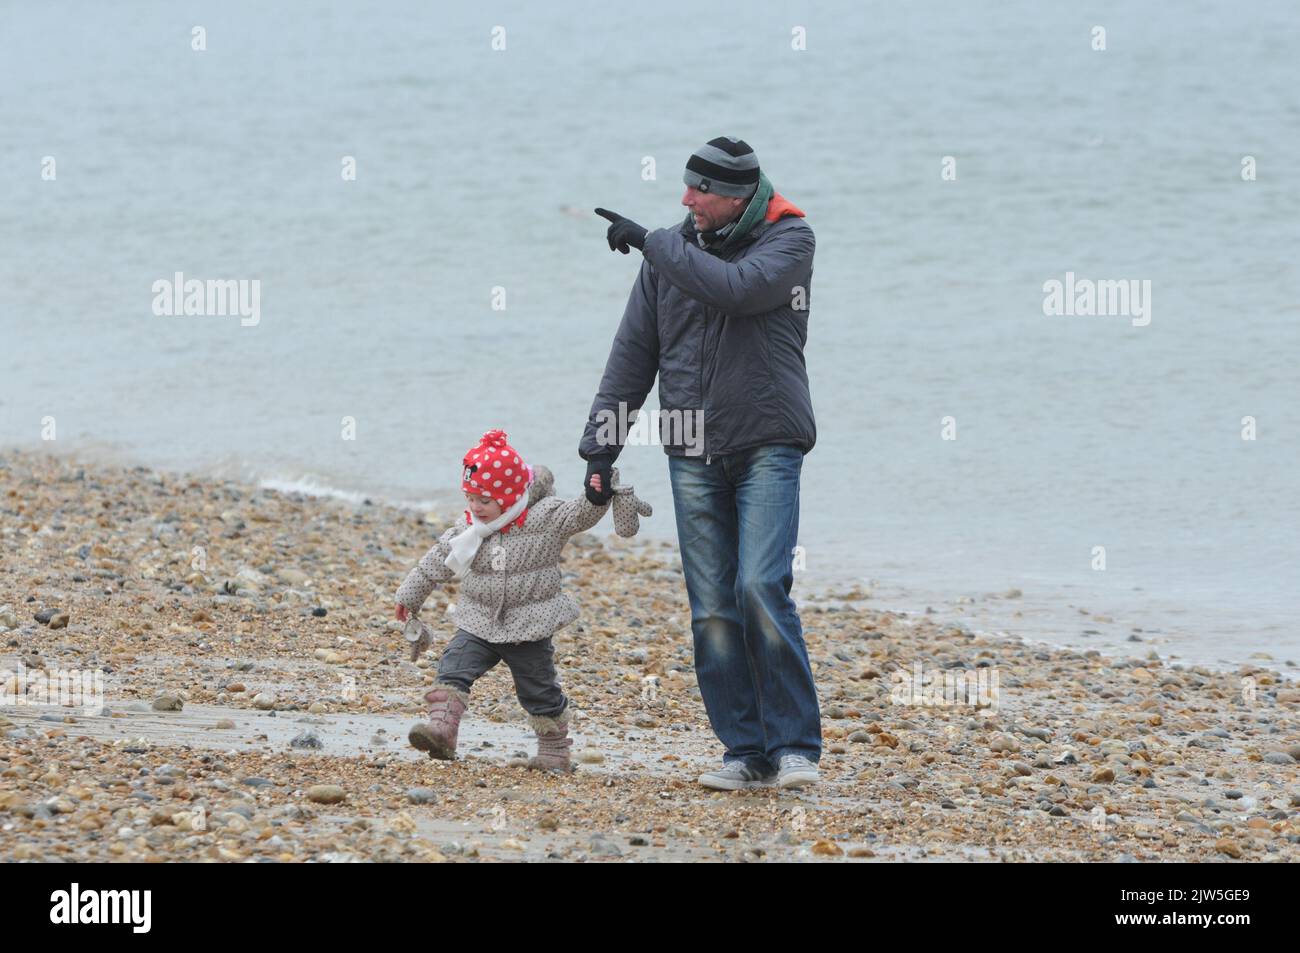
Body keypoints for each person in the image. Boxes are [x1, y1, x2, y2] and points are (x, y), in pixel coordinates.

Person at [580, 136, 822, 790]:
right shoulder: (670, 253)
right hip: (691, 447)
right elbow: (633, 356)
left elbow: (736, 290)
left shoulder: (789, 241)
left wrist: (656, 244)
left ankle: (796, 745)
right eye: (684, 188)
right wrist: (600, 448)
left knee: (759, 587)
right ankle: (745, 751)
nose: (686, 199)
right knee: (713, 607)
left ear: (737, 196)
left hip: (769, 439)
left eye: (700, 190)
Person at [395, 428, 609, 773]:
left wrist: (597, 494)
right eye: (470, 498)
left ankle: (554, 751)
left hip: (528, 624)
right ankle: (442, 731)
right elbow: (437, 560)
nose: (475, 508)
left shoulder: (544, 517)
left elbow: (580, 514)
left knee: (539, 690)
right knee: (453, 669)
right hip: (478, 620)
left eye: (484, 501)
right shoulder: (469, 527)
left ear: (509, 497)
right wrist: (409, 596)